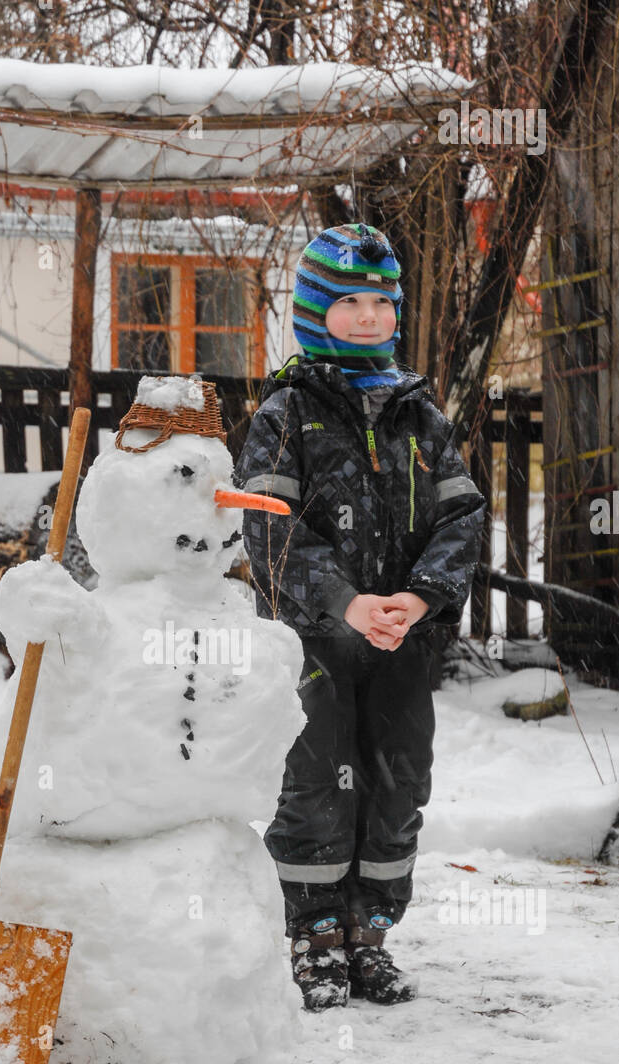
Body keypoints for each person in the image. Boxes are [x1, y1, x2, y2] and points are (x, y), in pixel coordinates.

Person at [232, 222, 486, 1010]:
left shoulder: (421, 416)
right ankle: (313, 937)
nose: (371, 317)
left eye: (382, 302)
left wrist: (417, 598)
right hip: (315, 639)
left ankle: (369, 934)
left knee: (398, 776)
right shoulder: (287, 411)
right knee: (315, 778)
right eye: (351, 303)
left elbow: (462, 516)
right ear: (315, 311)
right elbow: (266, 521)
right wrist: (345, 600)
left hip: (401, 640)